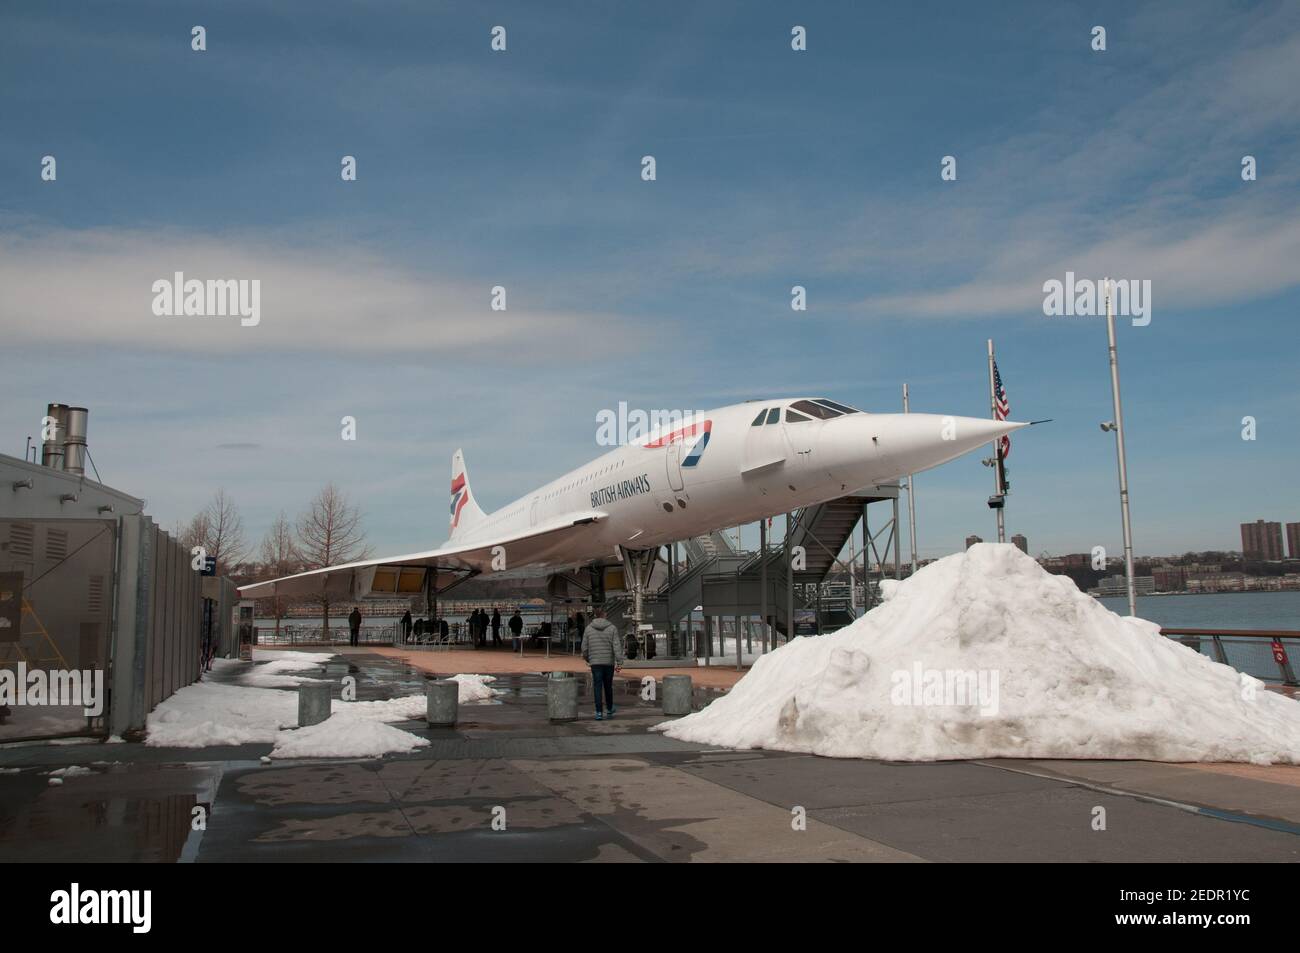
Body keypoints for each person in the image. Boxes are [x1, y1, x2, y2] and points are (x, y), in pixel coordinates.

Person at [582, 608, 623, 720]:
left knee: (597, 686)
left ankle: (599, 712)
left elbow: (584, 647)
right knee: (608, 686)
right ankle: (609, 709)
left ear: (595, 616)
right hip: (608, 662)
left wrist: (588, 659)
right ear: (605, 615)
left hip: (595, 662)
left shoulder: (588, 629)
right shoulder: (612, 628)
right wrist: (619, 661)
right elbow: (616, 646)